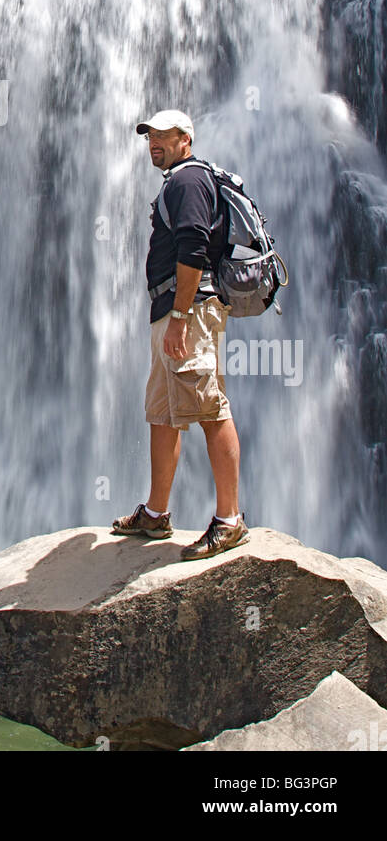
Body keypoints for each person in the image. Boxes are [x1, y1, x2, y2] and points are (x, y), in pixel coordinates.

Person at [111, 109, 249, 559]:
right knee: (164, 413)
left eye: (165, 135)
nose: (155, 142)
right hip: (172, 309)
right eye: (150, 135)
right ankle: (156, 513)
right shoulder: (176, 180)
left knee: (209, 408)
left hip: (189, 312)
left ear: (185, 138)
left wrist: (179, 316)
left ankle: (230, 521)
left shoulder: (189, 181)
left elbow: (193, 248)